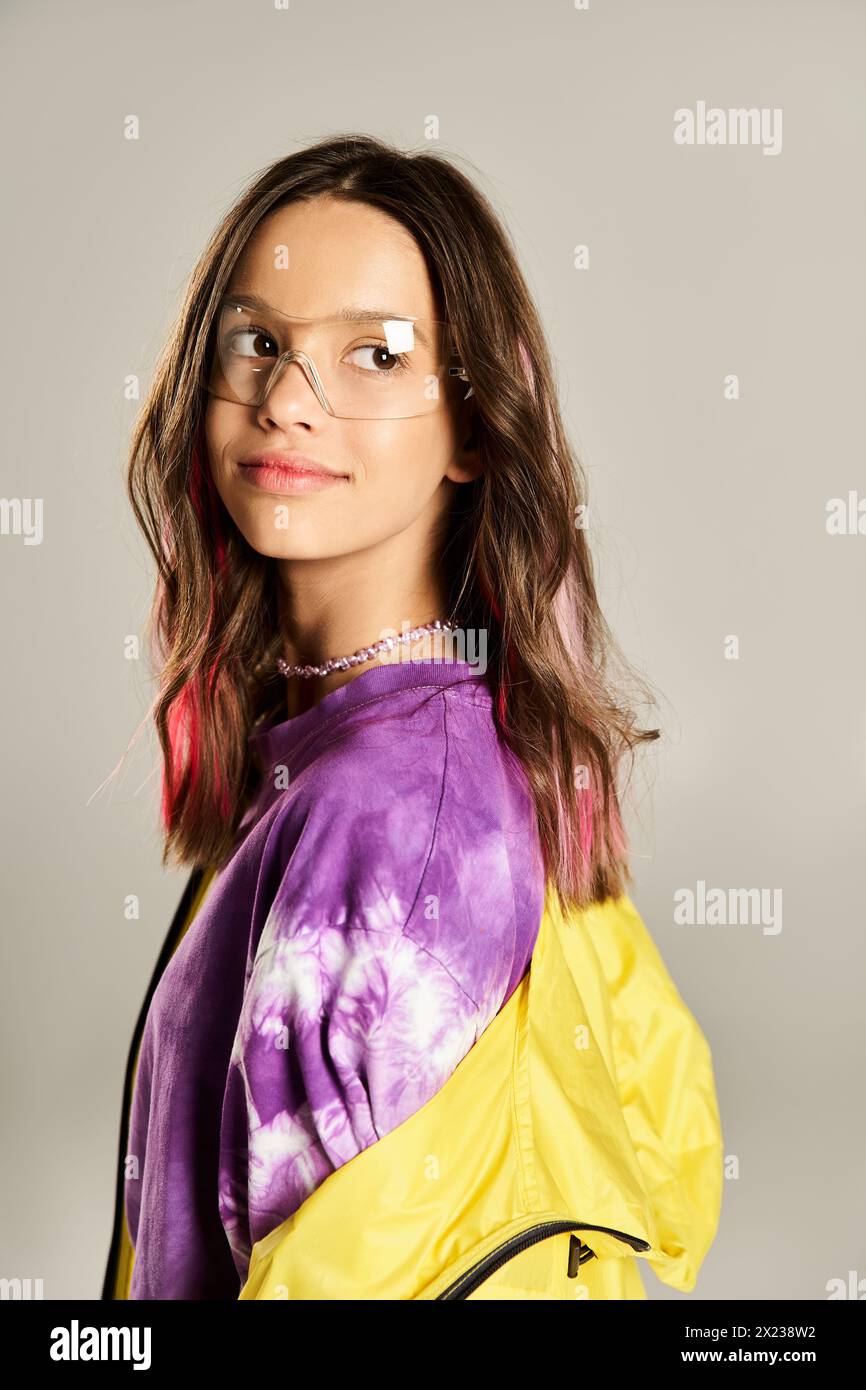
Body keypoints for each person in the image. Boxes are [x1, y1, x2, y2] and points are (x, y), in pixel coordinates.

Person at [102, 133, 722, 1301]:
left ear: (474, 430)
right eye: (259, 343)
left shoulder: (385, 816)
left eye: (375, 357)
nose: (288, 401)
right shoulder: (373, 752)